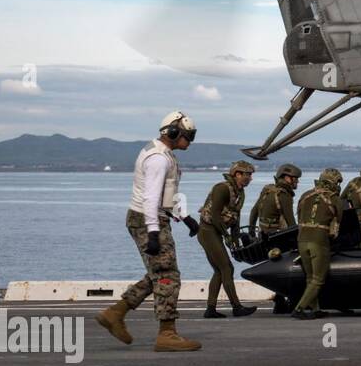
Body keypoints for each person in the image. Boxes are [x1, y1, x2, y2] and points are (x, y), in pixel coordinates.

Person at [95, 111, 202, 352]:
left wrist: (185, 218)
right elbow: (150, 198)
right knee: (167, 275)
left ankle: (115, 314)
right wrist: (153, 232)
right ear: (173, 133)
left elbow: (167, 194)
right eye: (188, 135)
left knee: (159, 272)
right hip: (148, 219)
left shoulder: (165, 155)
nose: (190, 141)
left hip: (150, 218)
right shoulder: (159, 159)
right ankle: (167, 334)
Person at [197, 160, 258, 319]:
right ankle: (236, 307)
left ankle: (210, 309)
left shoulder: (239, 193)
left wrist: (236, 241)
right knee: (227, 268)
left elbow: (235, 218)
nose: (250, 178)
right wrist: (227, 237)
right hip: (207, 230)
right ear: (237, 174)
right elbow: (216, 215)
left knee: (219, 271)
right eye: (248, 175)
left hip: (215, 232)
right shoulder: (222, 189)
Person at [293, 168, 344, 319]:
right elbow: (337, 226)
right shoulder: (334, 199)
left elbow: (299, 218)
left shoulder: (305, 195)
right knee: (318, 279)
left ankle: (315, 309)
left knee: (310, 277)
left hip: (301, 240)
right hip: (319, 241)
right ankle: (299, 309)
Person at [250, 163, 301, 235]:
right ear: (287, 178)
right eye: (295, 178)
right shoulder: (284, 195)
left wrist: (251, 233)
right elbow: (291, 223)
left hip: (262, 234)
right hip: (277, 237)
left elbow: (254, 212)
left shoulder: (267, 190)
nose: (297, 181)